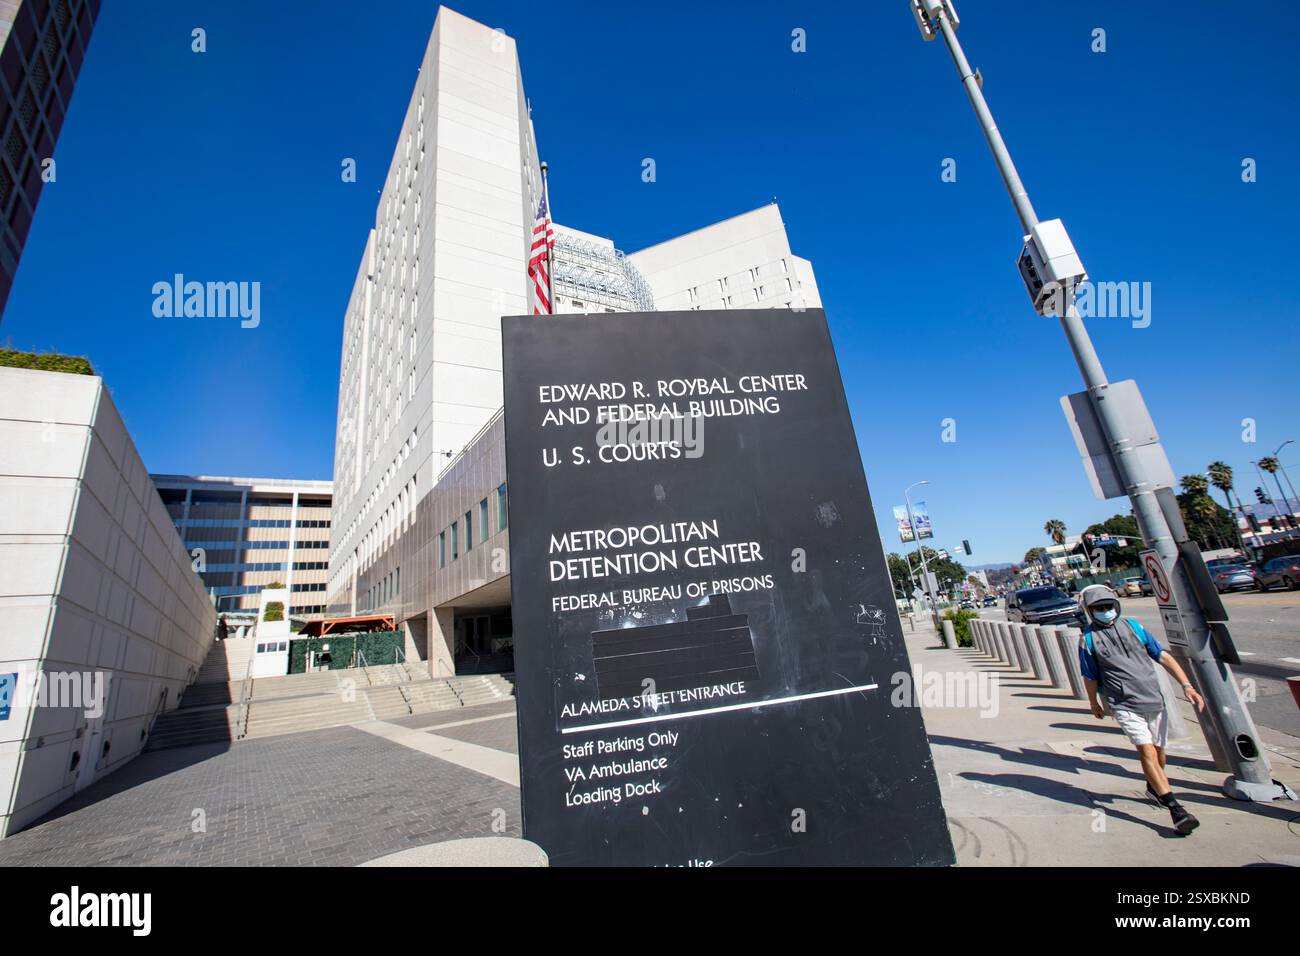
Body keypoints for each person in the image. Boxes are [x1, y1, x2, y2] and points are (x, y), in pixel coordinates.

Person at [1076, 584, 1206, 835]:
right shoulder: (1088, 639)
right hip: (1123, 702)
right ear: (1090, 612)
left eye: (1108, 607)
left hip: (1153, 698)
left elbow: (1162, 656)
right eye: (1098, 608)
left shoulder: (1135, 627)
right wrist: (1093, 702)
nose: (1105, 612)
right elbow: (1090, 676)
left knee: (1159, 754)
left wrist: (1187, 685)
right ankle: (1175, 809)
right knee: (1146, 750)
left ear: (1116, 607)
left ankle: (1153, 786)